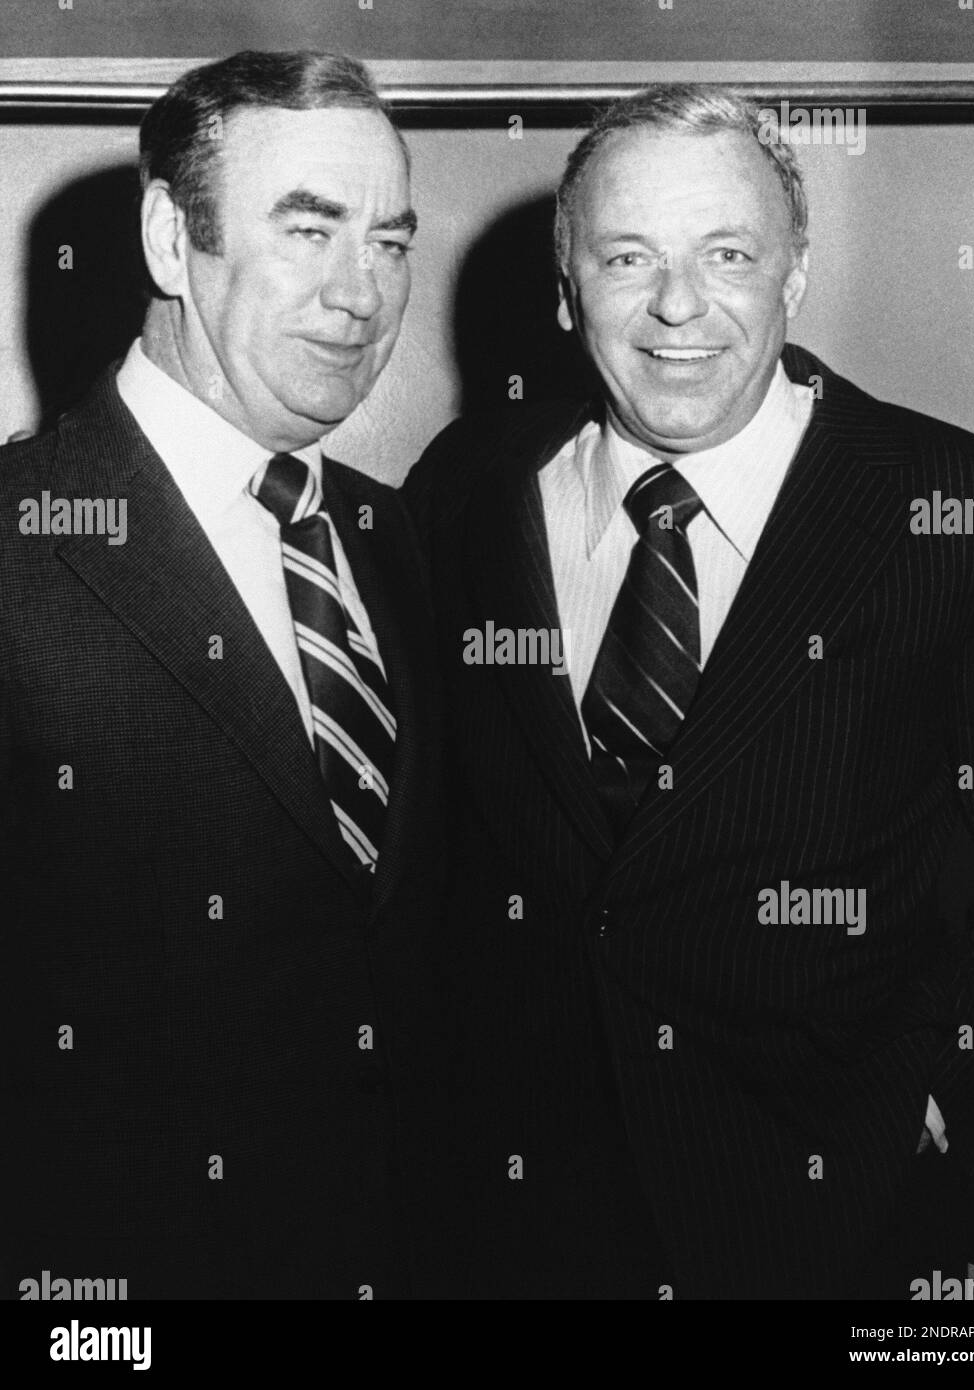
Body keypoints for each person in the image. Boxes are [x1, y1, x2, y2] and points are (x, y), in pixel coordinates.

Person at [405, 83, 974, 1299]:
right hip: (519, 1230)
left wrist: (948, 1080)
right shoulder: (461, 498)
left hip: (845, 1229)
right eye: (625, 257)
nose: (677, 306)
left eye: (728, 254)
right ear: (564, 290)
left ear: (792, 276)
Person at [1, 50, 446, 1299]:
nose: (361, 293)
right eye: (309, 229)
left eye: (390, 241)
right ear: (165, 238)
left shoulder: (390, 535)